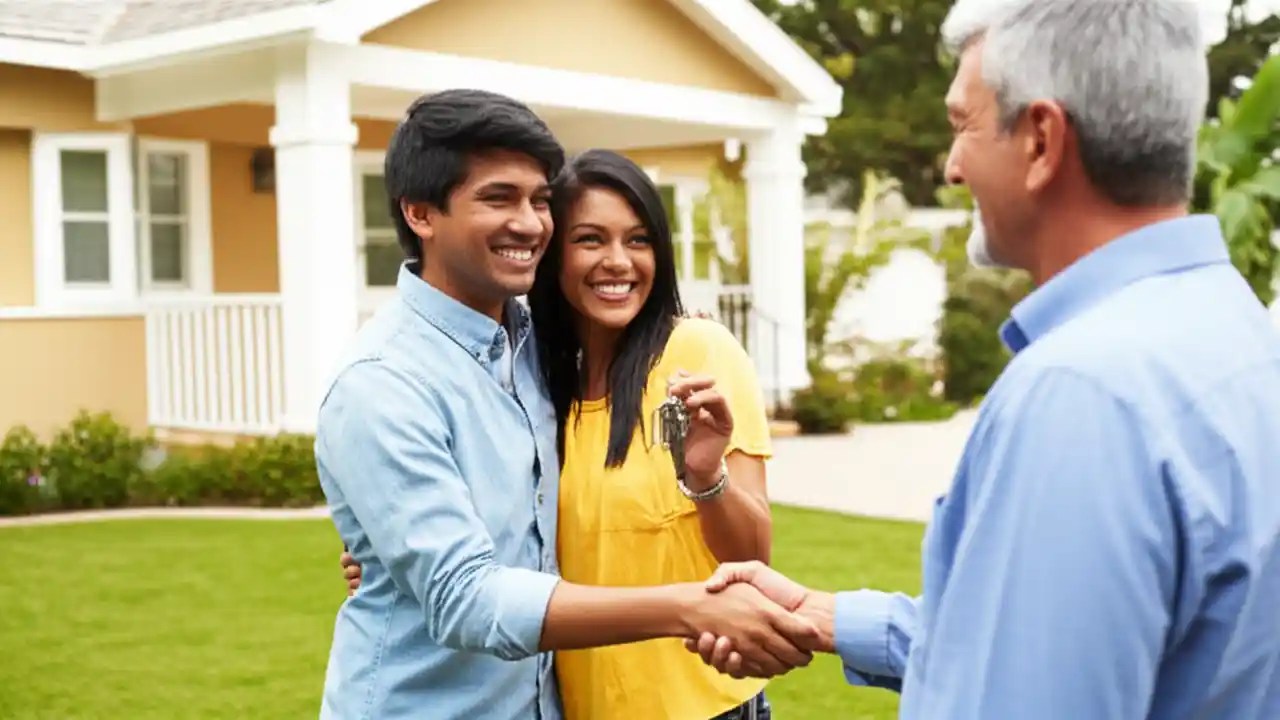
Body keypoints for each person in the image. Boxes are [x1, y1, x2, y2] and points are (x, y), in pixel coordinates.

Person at [686, 0, 1280, 718]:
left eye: (962, 125)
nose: (952, 167)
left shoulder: (1083, 393)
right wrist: (825, 615)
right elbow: (1076, 638)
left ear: (1040, 140)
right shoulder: (1236, 336)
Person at [315, 89, 814, 720]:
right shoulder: (382, 382)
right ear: (420, 213)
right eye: (498, 198)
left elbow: (530, 529)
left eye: (539, 201)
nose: (528, 222)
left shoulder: (530, 351)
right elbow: (465, 596)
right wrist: (688, 607)